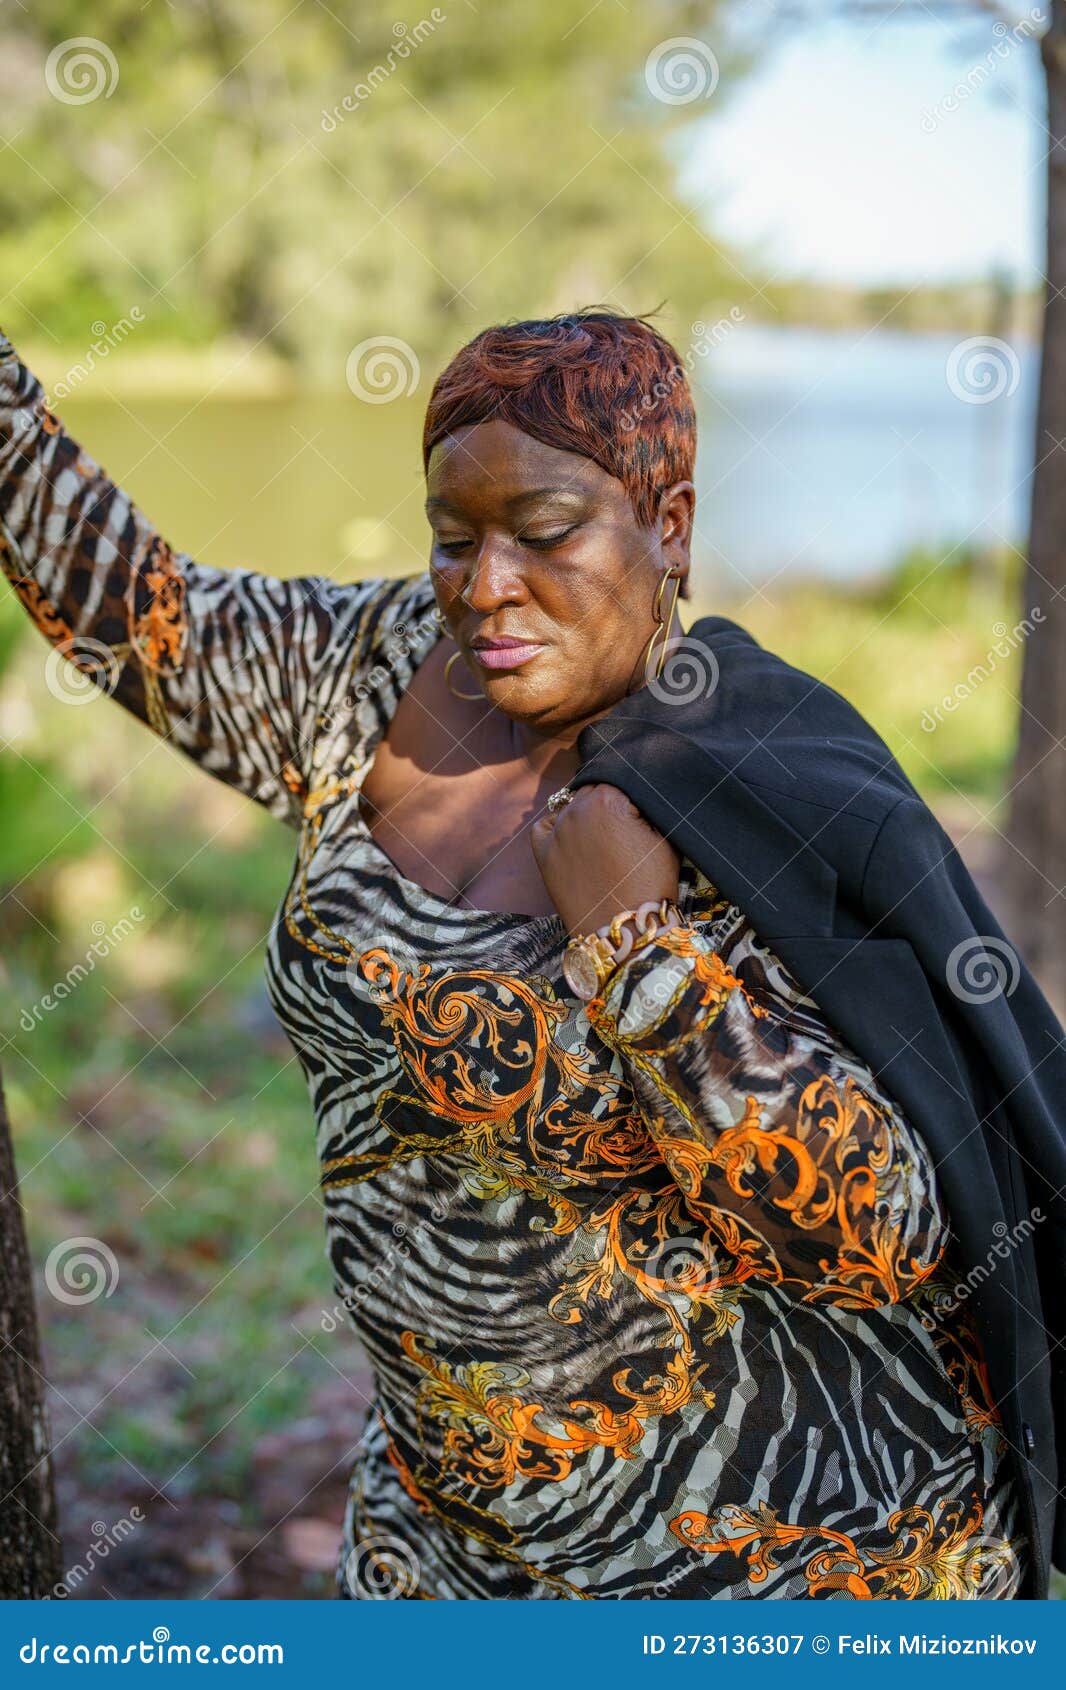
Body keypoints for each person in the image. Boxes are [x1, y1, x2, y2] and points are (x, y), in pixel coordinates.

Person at [0, 313, 1030, 1599]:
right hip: (446, 1539)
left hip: (767, 1556)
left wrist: (640, 964)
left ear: (671, 523)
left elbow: (882, 1239)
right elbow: (133, 612)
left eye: (544, 535)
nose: (486, 585)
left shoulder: (767, 782)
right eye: (453, 536)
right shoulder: (368, 671)